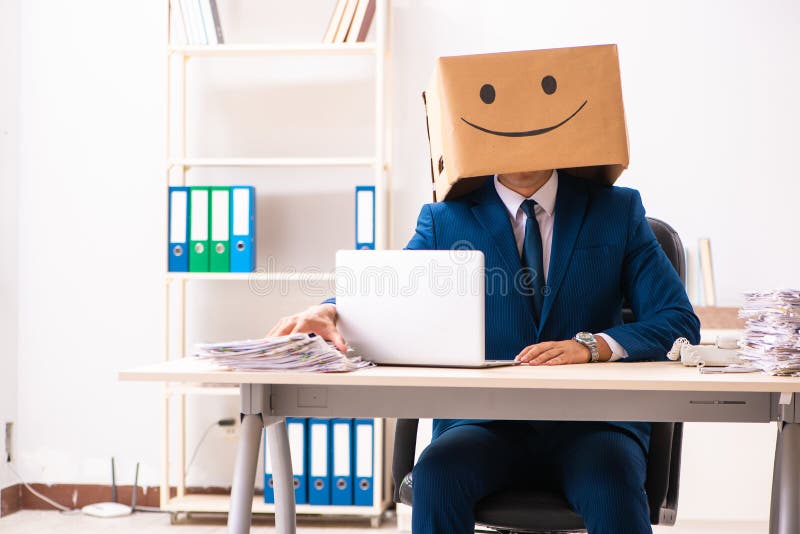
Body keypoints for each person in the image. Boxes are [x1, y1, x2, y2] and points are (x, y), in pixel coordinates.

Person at [268, 168, 700, 534]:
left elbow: (678, 321)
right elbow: (390, 293)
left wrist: (593, 345)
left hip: (592, 424)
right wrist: (328, 310)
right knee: (437, 475)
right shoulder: (445, 218)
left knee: (613, 486)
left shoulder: (616, 210)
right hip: (486, 424)